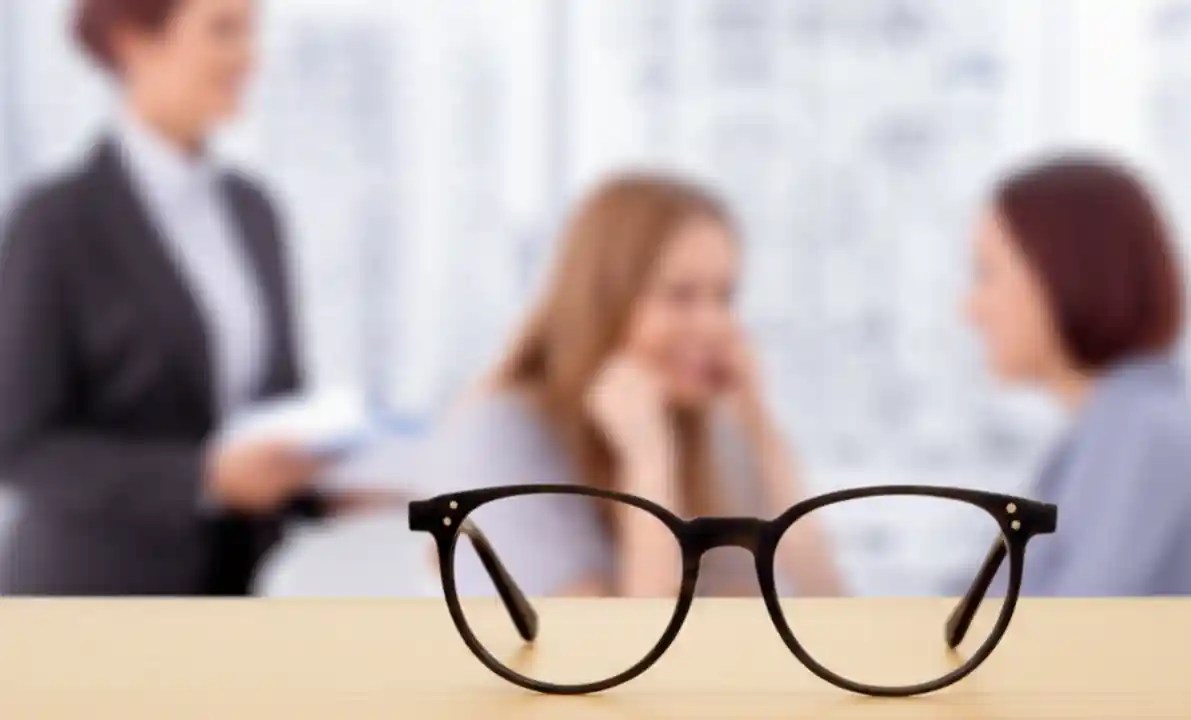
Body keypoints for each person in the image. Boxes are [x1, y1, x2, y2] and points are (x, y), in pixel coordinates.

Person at [0, 0, 331, 595]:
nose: (249, 57)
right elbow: (20, 444)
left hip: (235, 587)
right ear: (134, 41)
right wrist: (201, 479)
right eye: (223, 31)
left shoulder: (254, 212)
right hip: (91, 599)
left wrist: (324, 477)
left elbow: (275, 404)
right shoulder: (57, 222)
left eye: (252, 33)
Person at [426, 174, 842, 598]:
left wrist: (763, 432)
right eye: (681, 296)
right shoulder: (500, 434)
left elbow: (831, 618)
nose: (717, 324)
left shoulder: (710, 429)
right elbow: (623, 654)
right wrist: (647, 461)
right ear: (604, 304)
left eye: (724, 297)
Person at [965, 156, 1191, 596]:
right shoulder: (1111, 429)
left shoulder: (1141, 433)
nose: (970, 307)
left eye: (987, 274)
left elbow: (1066, 631)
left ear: (1061, 274)